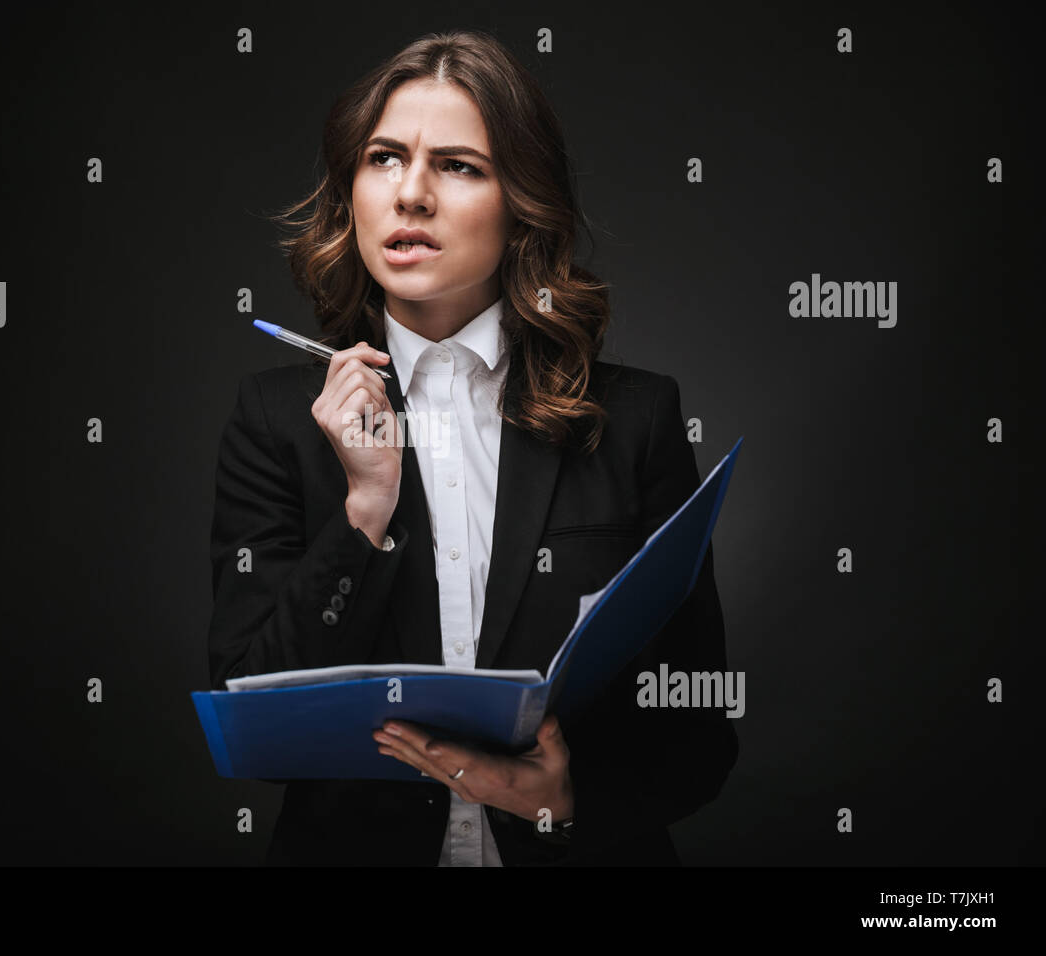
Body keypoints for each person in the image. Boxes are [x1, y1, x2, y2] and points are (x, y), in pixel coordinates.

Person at [206, 29, 738, 866]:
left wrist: (563, 802)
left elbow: (697, 723)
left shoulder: (632, 417)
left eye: (458, 166)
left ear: (523, 203)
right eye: (384, 158)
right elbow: (254, 712)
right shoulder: (277, 418)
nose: (410, 193)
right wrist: (363, 515)